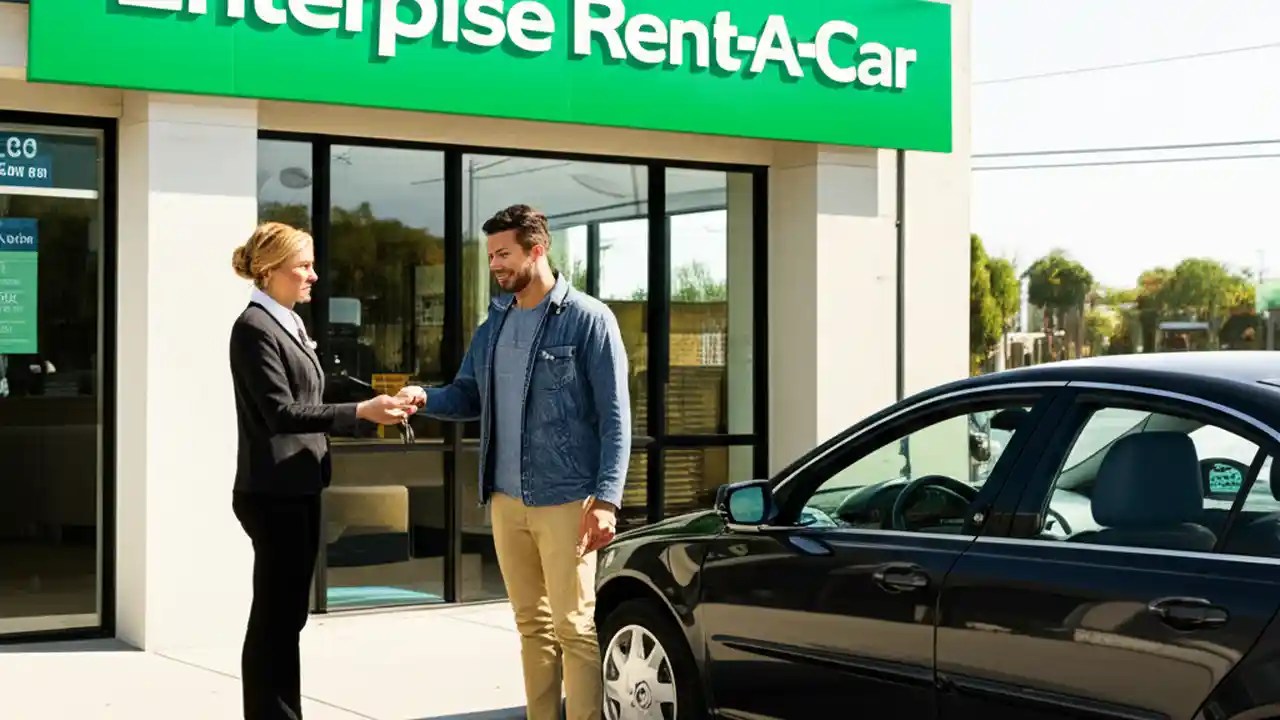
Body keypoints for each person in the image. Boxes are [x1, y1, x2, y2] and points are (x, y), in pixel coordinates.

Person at [398, 204, 630, 720]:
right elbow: (466, 395)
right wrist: (423, 398)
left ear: (537, 249)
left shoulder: (590, 320)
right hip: (506, 499)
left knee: (574, 625)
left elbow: (616, 418)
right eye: (492, 256)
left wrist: (607, 500)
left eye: (504, 254)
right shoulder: (494, 325)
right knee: (531, 624)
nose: (496, 265)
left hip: (567, 497)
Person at [228, 221, 414, 720]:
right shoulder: (254, 329)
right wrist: (360, 414)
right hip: (273, 494)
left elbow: (312, 396)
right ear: (270, 271)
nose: (313, 276)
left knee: (286, 618)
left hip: (298, 487)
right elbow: (281, 413)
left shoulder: (285, 322)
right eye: (303, 266)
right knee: (274, 620)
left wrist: (377, 404)